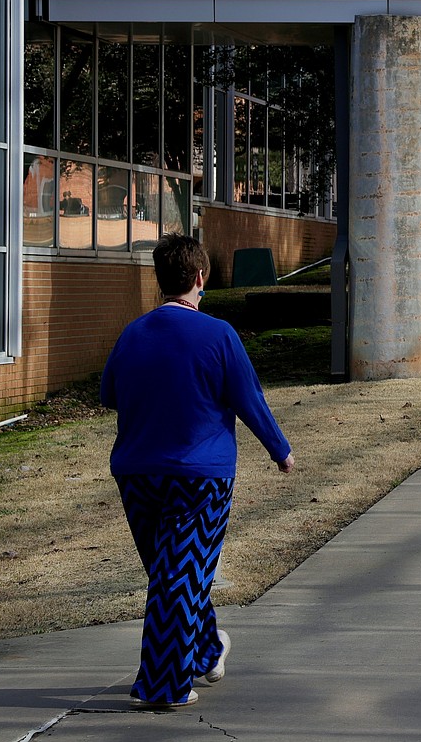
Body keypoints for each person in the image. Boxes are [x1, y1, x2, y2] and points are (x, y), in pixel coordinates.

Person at [100, 233, 295, 710]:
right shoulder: (219, 334)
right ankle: (164, 685)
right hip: (200, 476)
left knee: (171, 572)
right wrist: (280, 450)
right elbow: (249, 399)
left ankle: (207, 650)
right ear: (201, 278)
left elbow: (109, 395)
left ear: (160, 279)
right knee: (179, 576)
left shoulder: (132, 335)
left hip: (137, 473)